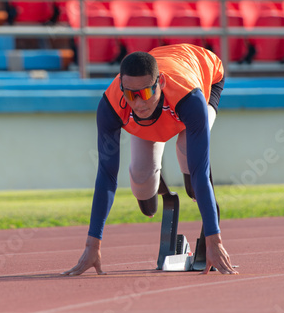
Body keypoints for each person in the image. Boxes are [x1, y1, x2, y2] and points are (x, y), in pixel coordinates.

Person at [63, 44, 237, 276]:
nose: (139, 103)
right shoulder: (111, 104)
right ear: (122, 87)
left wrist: (214, 241)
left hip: (202, 75)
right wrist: (91, 246)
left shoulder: (190, 98)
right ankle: (158, 197)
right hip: (164, 99)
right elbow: (106, 174)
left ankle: (190, 190)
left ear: (160, 83)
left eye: (145, 92)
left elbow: (201, 171)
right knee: (142, 180)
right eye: (130, 94)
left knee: (188, 154)